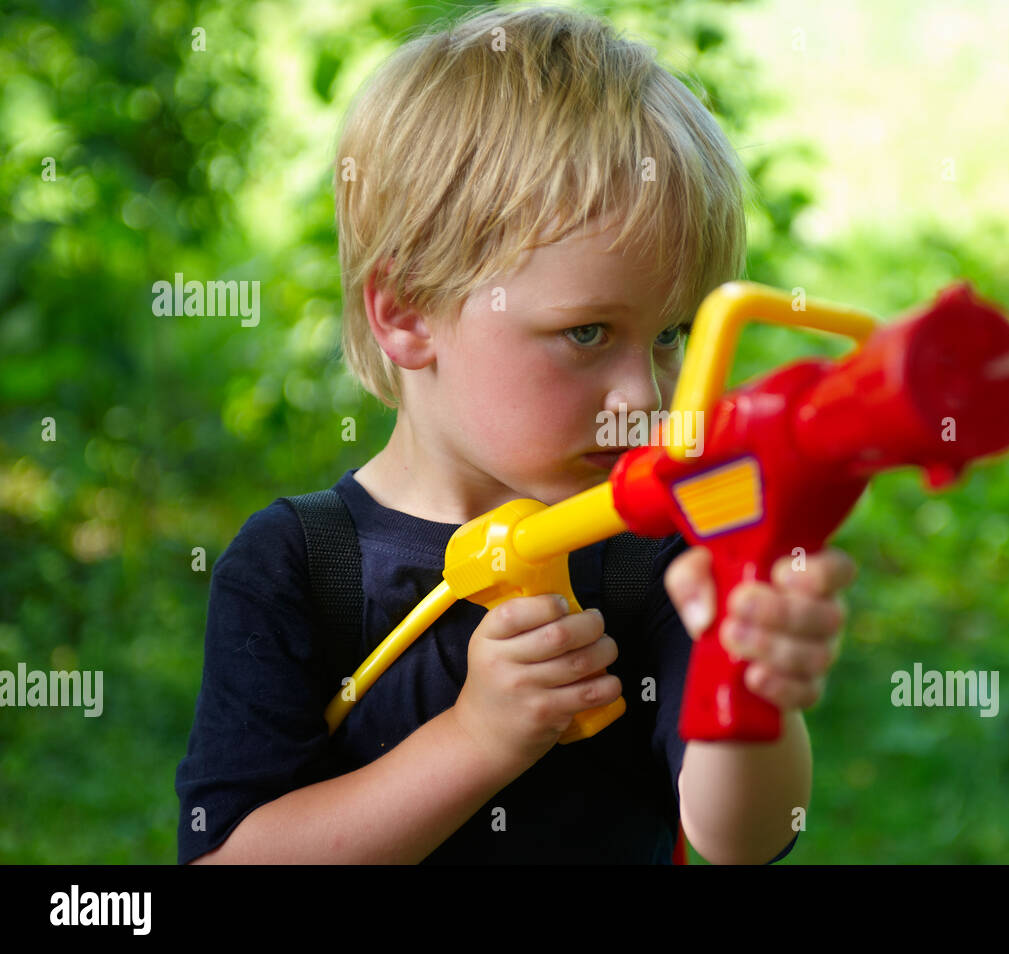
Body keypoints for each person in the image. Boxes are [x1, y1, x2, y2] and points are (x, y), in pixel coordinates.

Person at [176, 3, 856, 865]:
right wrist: (476, 740)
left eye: (669, 333)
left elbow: (746, 838)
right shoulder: (300, 568)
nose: (641, 395)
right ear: (407, 313)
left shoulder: (657, 555)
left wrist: (748, 682)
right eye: (586, 333)